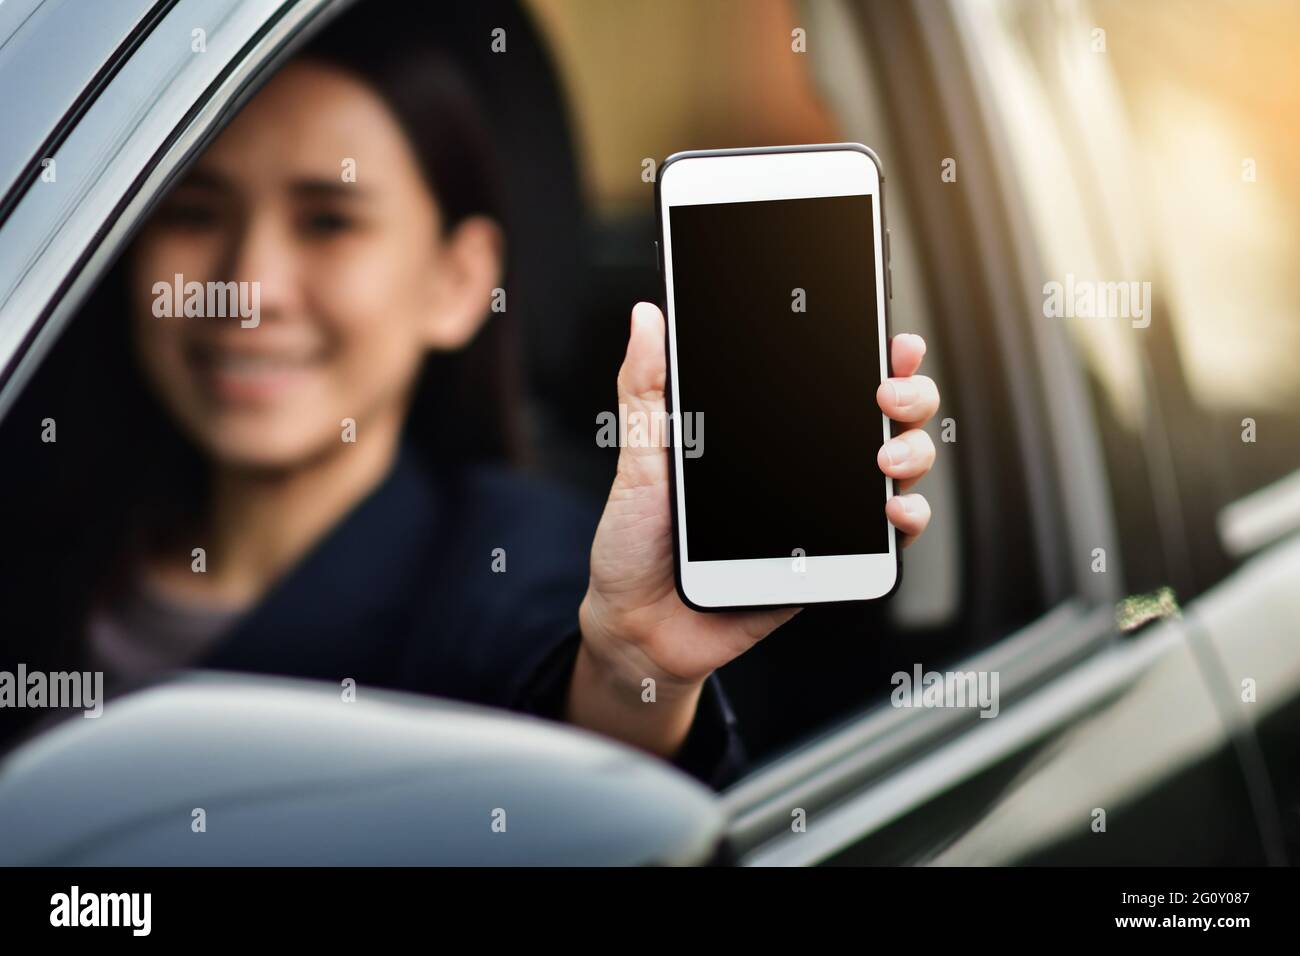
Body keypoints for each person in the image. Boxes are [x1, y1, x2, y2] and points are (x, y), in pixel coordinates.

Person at [0, 6, 938, 789]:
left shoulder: (524, 573)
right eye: (196, 213)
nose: (249, 284)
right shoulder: (38, 518)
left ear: (457, 282)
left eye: (328, 220)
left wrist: (630, 673)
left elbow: (587, 787)